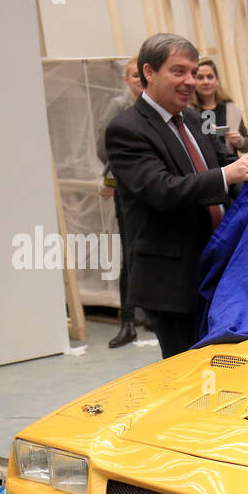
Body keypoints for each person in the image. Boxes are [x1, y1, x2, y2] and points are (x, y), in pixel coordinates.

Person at [105, 33, 248, 359]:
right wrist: (228, 174)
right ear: (149, 72)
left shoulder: (195, 119)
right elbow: (162, 190)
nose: (190, 81)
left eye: (193, 72)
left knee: (226, 364)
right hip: (173, 283)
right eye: (179, 71)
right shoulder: (127, 129)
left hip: (218, 269)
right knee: (189, 370)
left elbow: (224, 161)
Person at [94, 59, 144, 349]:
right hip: (126, 187)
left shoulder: (154, 107)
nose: (138, 79)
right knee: (129, 252)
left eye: (141, 74)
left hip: (150, 187)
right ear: (127, 79)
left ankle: (149, 316)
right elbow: (103, 146)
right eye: (133, 75)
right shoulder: (118, 106)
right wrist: (123, 169)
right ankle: (127, 321)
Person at [192, 58, 248, 155]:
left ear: (217, 80)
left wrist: (239, 140)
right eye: (200, 78)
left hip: (231, 162)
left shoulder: (231, 109)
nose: (206, 82)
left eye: (210, 77)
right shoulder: (187, 111)